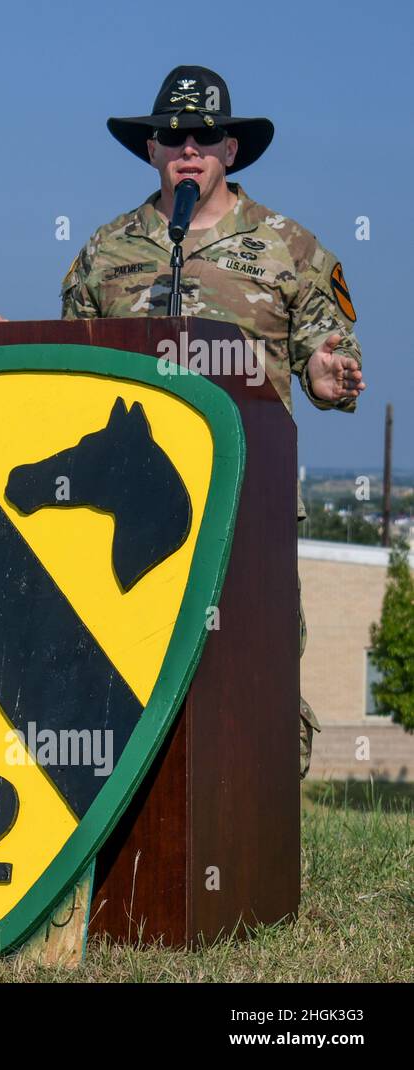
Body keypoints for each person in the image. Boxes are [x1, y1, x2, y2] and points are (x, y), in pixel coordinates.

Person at [49, 66, 366, 779]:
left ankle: (256, 849)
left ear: (230, 149)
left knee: (258, 666)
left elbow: (331, 357)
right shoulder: (105, 252)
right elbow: (73, 370)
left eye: (205, 135)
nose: (188, 147)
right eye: (172, 135)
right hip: (135, 511)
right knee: (123, 668)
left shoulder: (292, 248)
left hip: (247, 500)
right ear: (151, 150)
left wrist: (326, 372)